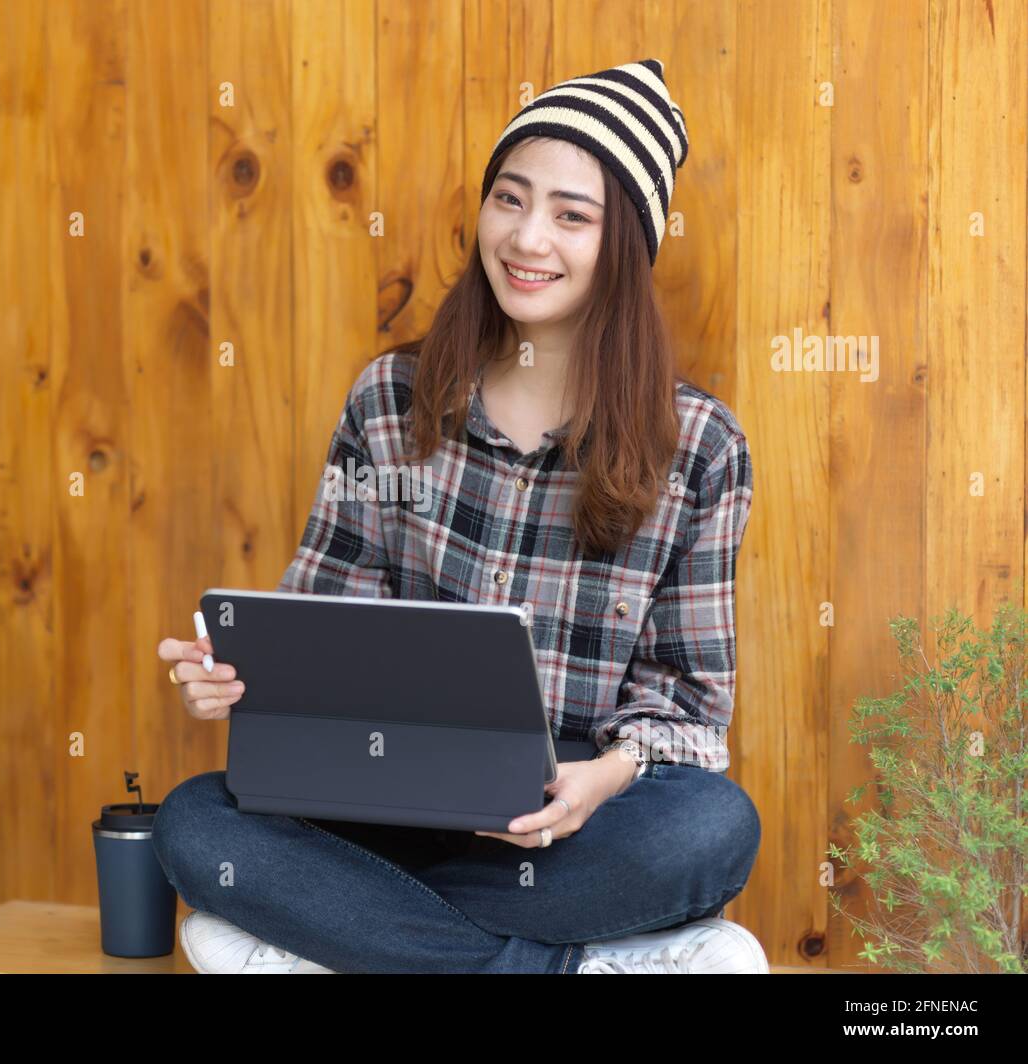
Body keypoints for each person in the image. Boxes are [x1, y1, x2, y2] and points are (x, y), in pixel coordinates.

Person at [154, 58, 764, 974]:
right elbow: (325, 621)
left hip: (571, 818)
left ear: (625, 245)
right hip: (386, 797)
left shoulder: (703, 449)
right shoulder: (390, 402)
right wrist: (235, 676)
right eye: (509, 199)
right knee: (196, 825)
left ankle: (341, 945)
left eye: (571, 215)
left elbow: (687, 705)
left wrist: (599, 781)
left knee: (713, 830)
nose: (528, 238)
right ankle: (562, 966)